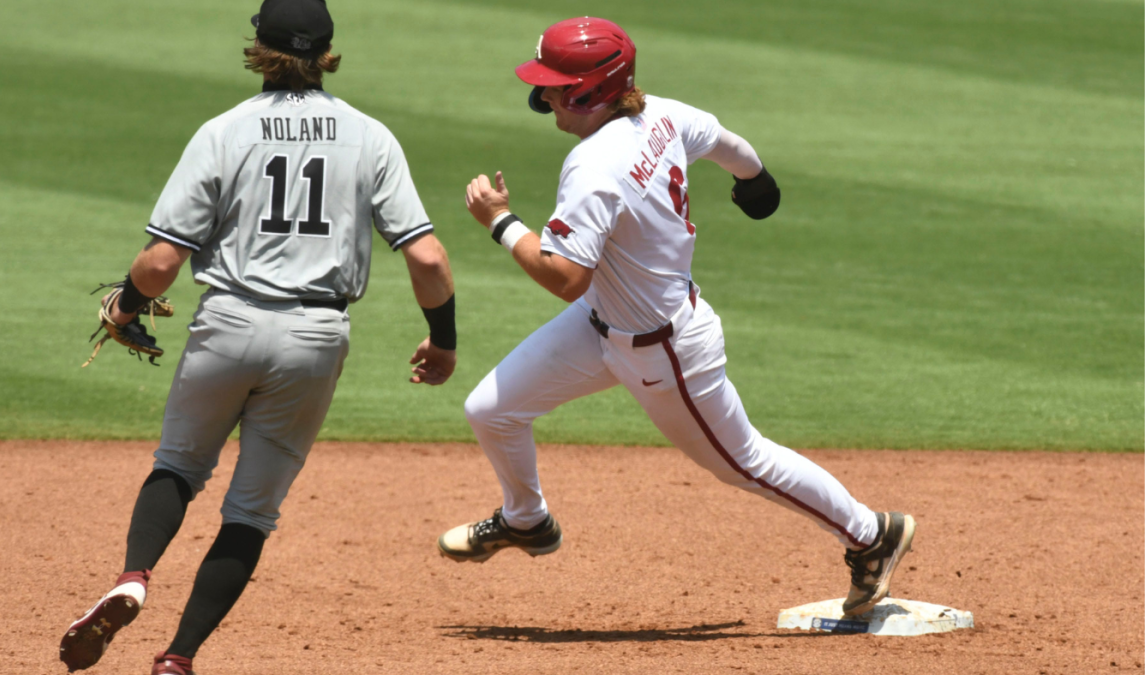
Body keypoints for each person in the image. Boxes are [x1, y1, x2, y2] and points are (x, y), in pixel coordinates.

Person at [438, 16, 915, 618]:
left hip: (662, 350)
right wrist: (756, 182)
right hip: (602, 322)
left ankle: (873, 535)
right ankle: (527, 520)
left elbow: (564, 278)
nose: (544, 96)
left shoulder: (593, 166)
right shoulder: (658, 113)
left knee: (745, 463)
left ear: (588, 91)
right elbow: (725, 143)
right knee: (491, 409)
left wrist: (500, 222)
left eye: (555, 84)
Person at [59, 1, 457, 673]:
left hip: (230, 321)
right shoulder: (371, 137)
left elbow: (160, 264)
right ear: (328, 51)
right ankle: (178, 657)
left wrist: (123, 310)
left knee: (180, 467)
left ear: (258, 45)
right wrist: (442, 341)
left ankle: (134, 576)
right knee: (251, 509)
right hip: (316, 336)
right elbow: (429, 260)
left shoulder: (224, 131)